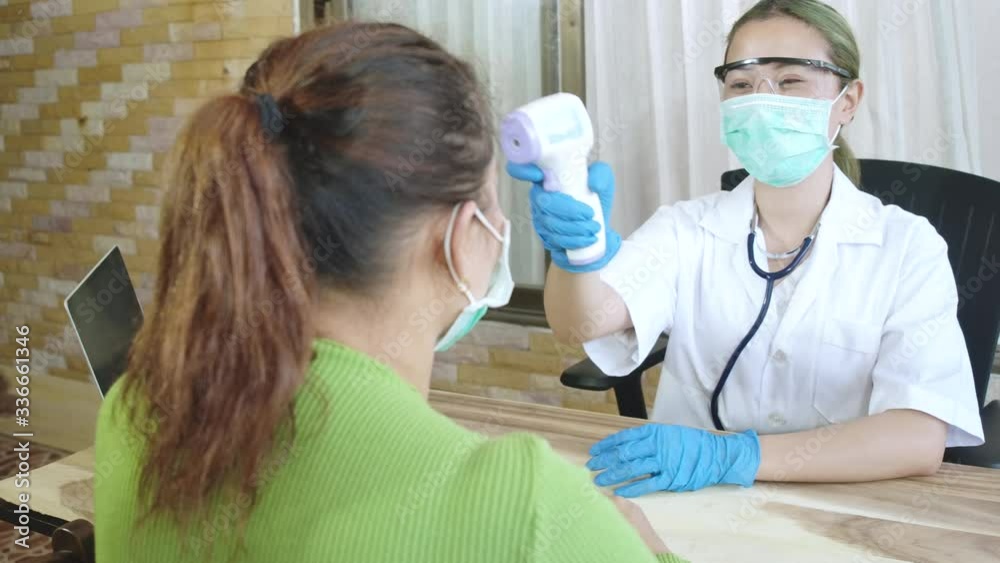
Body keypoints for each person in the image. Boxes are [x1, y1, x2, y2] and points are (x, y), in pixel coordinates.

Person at [92, 22, 690, 563]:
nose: (503, 227)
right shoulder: (526, 511)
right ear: (458, 239)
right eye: (492, 204)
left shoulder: (131, 416)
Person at [508, 0, 984, 497]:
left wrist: (736, 457)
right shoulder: (685, 228)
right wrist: (576, 253)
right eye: (741, 84)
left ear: (848, 100)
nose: (761, 101)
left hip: (844, 504)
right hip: (691, 499)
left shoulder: (907, 247)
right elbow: (581, 324)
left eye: (790, 80)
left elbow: (918, 438)